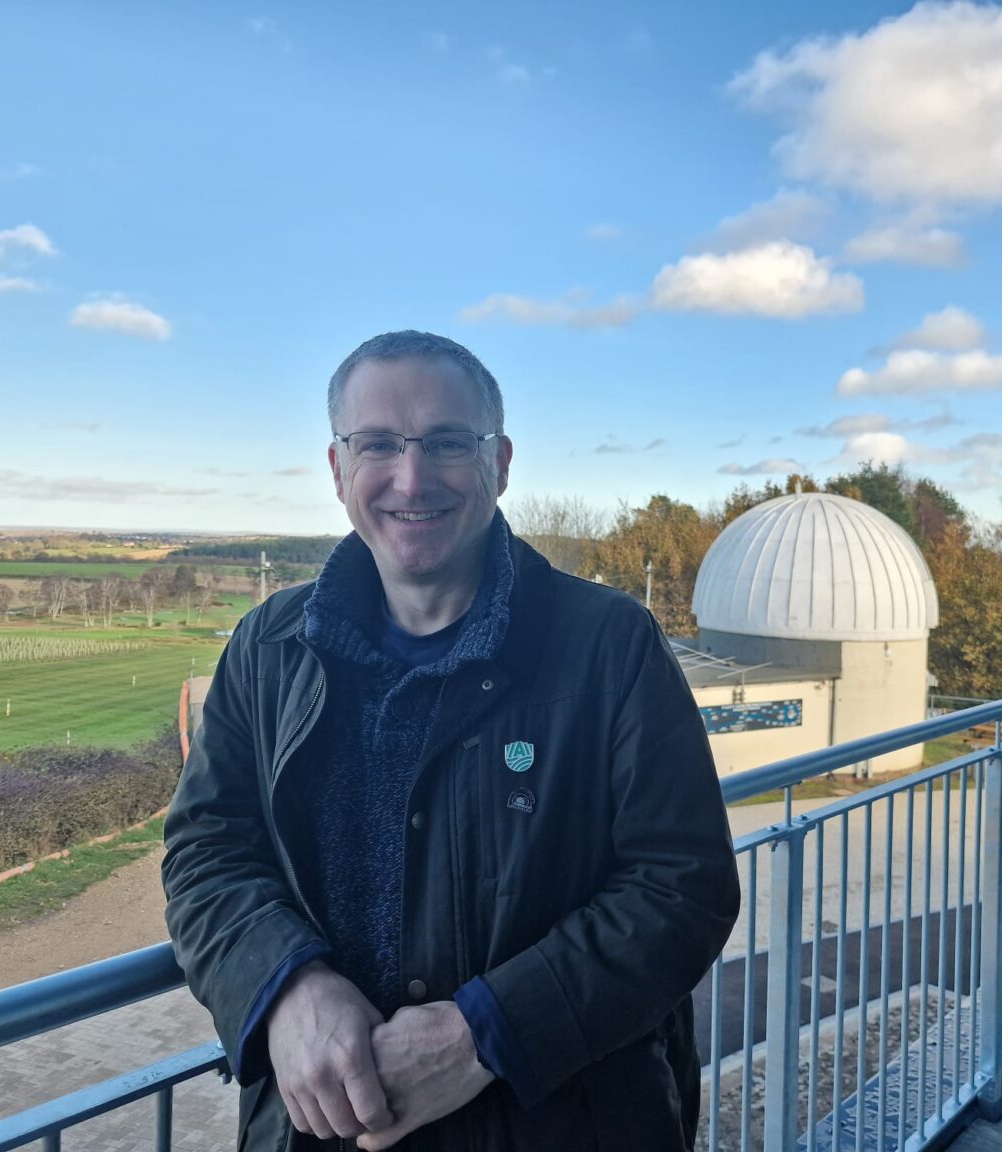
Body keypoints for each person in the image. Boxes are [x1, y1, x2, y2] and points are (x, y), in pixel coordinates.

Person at [162, 331, 741, 1151]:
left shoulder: (609, 644)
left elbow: (683, 886)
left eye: (445, 444)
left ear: (500, 463)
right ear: (337, 468)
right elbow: (207, 851)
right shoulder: (267, 648)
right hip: (322, 1130)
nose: (411, 476)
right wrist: (286, 982)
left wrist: (486, 1033)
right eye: (379, 445)